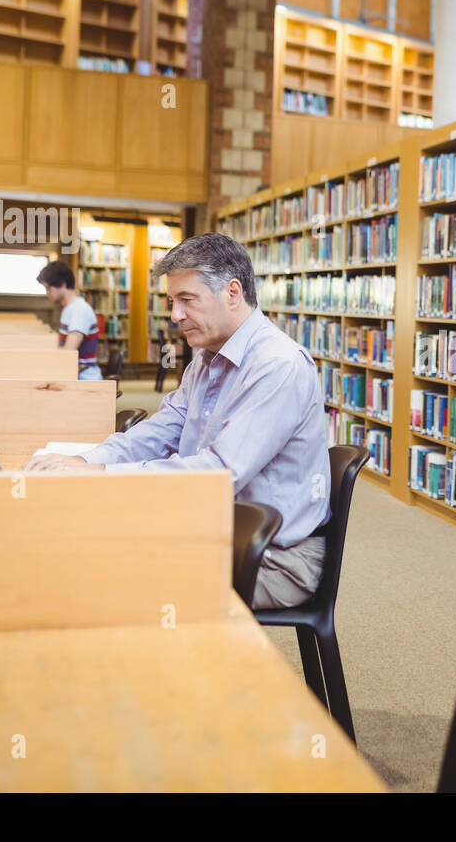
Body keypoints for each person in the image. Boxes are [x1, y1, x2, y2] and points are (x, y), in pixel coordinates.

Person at [23, 233, 332, 608]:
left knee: (101, 568)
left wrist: (100, 474)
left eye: (187, 300)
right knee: (76, 537)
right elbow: (160, 431)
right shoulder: (206, 357)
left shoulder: (276, 366)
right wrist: (87, 459)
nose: (175, 316)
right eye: (172, 302)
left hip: (271, 556)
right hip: (212, 525)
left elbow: (220, 471)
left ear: (232, 293)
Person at [37, 260, 102, 380]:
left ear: (62, 285)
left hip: (84, 377)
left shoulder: (79, 310)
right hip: (74, 373)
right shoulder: (69, 308)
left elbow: (68, 352)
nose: (47, 293)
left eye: (48, 288)